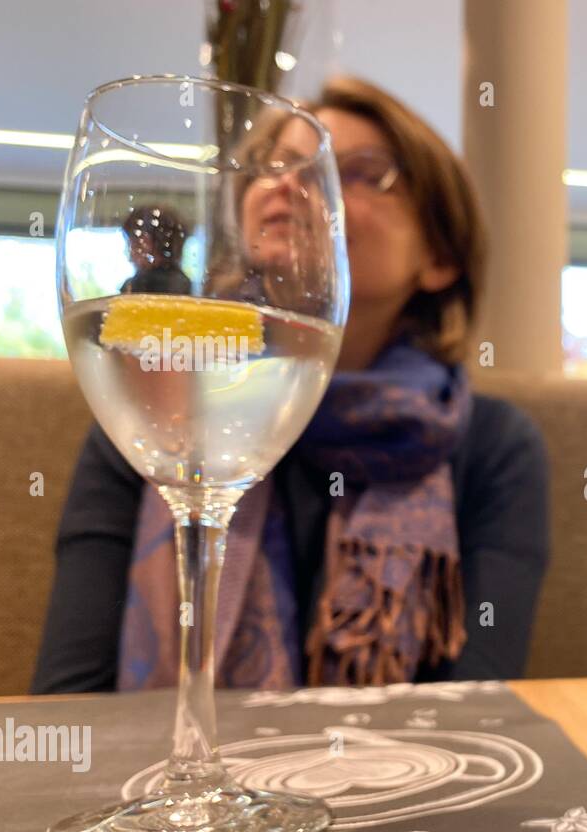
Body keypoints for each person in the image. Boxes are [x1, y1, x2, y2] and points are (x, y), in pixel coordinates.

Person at [32, 76, 550, 692]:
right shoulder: (157, 415)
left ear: (440, 256)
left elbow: (476, 709)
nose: (286, 182)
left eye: (360, 173)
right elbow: (71, 701)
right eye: (269, 166)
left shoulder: (492, 445)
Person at [119, 205, 192, 295]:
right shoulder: (186, 284)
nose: (130, 253)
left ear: (145, 242)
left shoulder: (137, 285)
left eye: (131, 244)